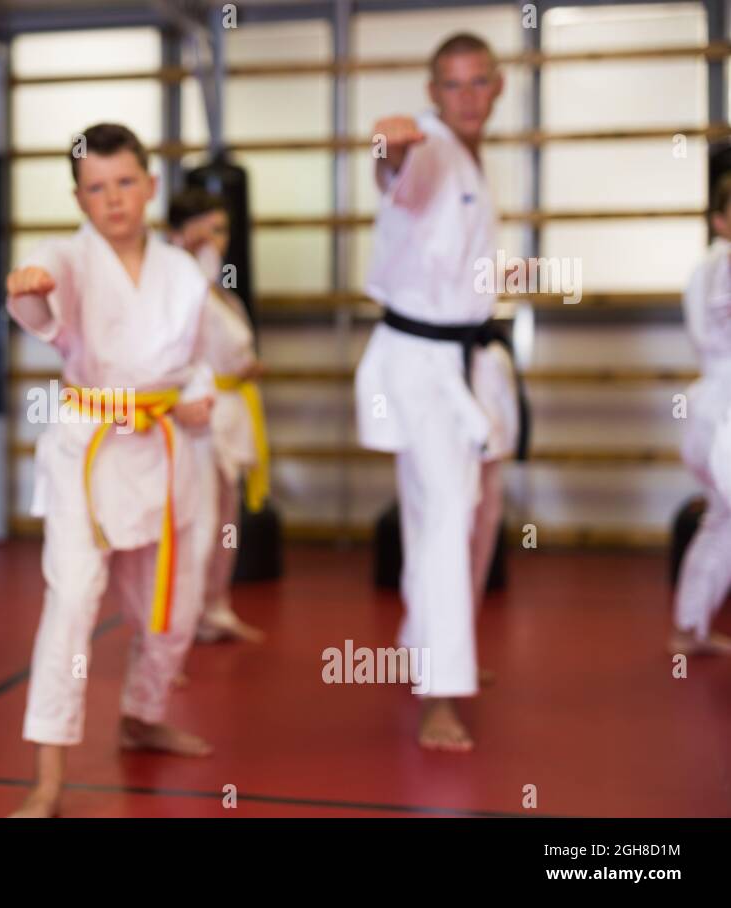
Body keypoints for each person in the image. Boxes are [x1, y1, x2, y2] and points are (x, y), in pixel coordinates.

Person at [6, 123, 215, 818]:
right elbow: (39, 299)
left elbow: (195, 359)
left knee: (172, 602)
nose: (114, 199)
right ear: (79, 198)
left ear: (150, 186)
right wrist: (29, 289)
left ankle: (142, 714)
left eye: (126, 182)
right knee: (70, 607)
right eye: (97, 187)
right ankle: (48, 776)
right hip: (89, 454)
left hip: (163, 447)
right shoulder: (66, 256)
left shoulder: (181, 271)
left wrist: (196, 395)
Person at [354, 33, 524, 752]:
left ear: (498, 86)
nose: (467, 97)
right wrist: (387, 149)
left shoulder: (479, 163)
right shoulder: (428, 148)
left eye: (478, 82)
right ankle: (439, 694)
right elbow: (398, 174)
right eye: (452, 85)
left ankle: (426, 644)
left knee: (478, 510)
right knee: (447, 517)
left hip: (472, 357)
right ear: (432, 92)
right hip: (420, 365)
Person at [166, 187, 267, 646]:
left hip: (231, 411)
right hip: (193, 416)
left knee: (226, 520)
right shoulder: (170, 286)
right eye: (204, 229)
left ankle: (214, 611)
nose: (215, 240)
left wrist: (246, 369)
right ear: (177, 234)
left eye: (221, 230)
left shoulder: (222, 294)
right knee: (195, 527)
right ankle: (170, 639)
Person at [670, 171, 731, 657]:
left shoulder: (707, 265)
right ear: (719, 221)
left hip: (711, 407)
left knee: (721, 521)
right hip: (721, 413)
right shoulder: (722, 263)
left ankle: (690, 627)